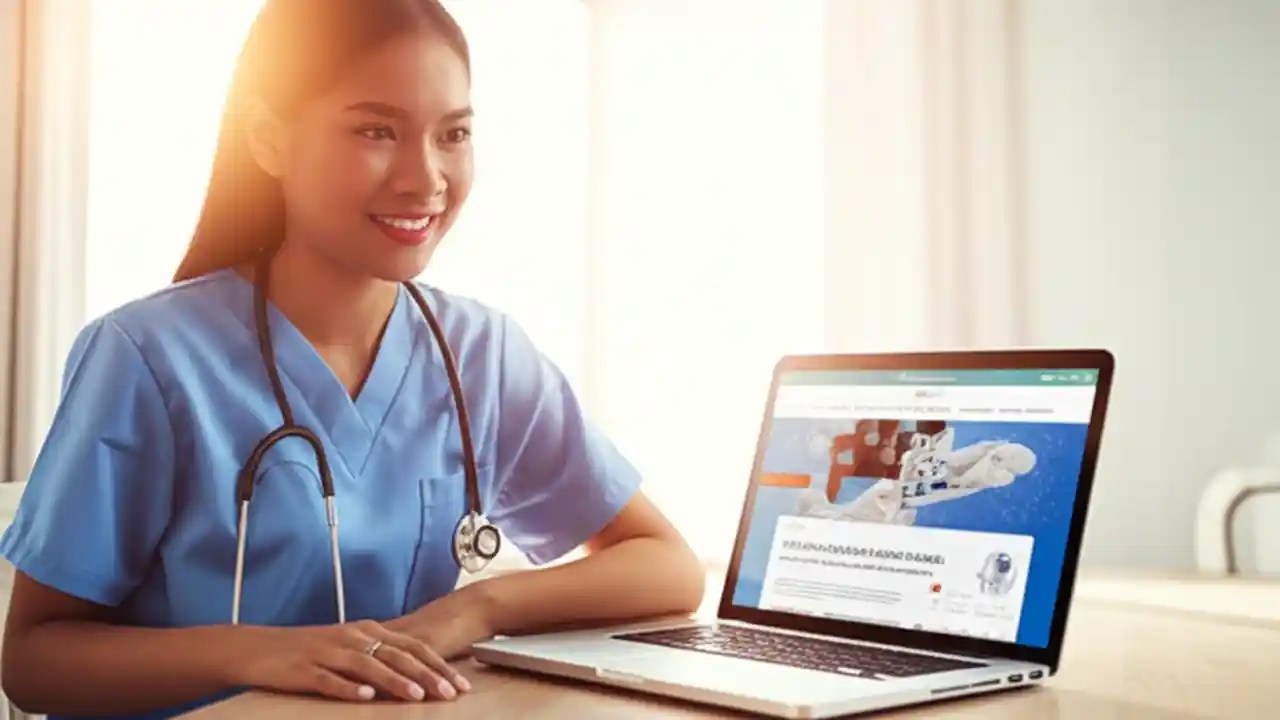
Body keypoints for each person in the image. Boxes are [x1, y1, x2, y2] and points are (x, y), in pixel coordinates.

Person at [0, 2, 704, 718]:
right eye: (377, 131)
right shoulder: (146, 359)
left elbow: (666, 567)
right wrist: (260, 652)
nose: (424, 177)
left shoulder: (480, 355)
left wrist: (477, 609)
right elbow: (34, 661)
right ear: (269, 141)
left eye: (453, 134)